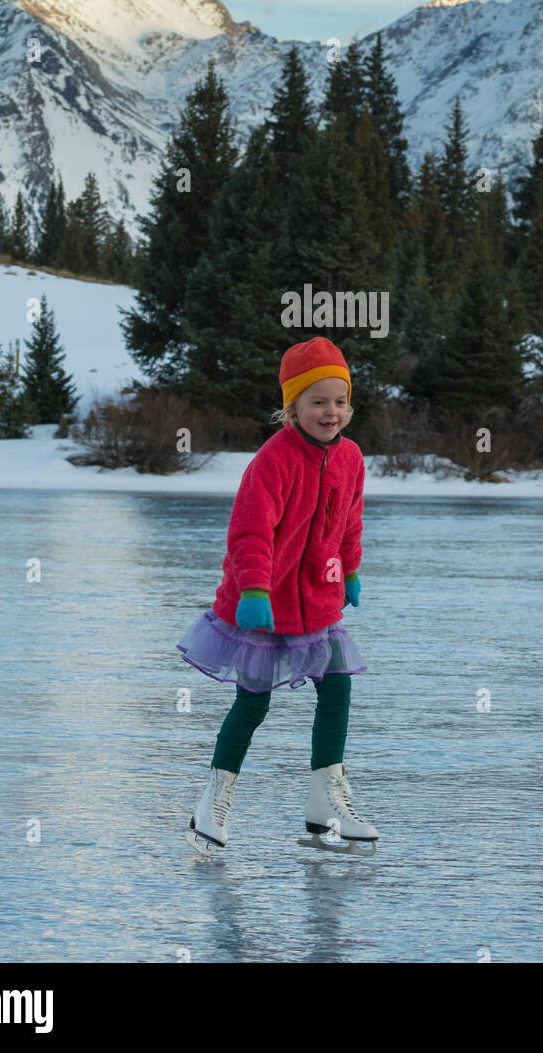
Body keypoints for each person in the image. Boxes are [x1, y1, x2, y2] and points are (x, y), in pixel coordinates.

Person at [176, 337, 378, 855]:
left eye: (339, 401)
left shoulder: (352, 457)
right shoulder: (274, 458)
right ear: (292, 407)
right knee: (253, 702)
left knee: (337, 688)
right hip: (264, 603)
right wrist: (255, 588)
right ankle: (213, 800)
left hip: (320, 599)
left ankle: (325, 796)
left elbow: (350, 521)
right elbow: (250, 531)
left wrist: (350, 569)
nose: (330, 412)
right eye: (318, 402)